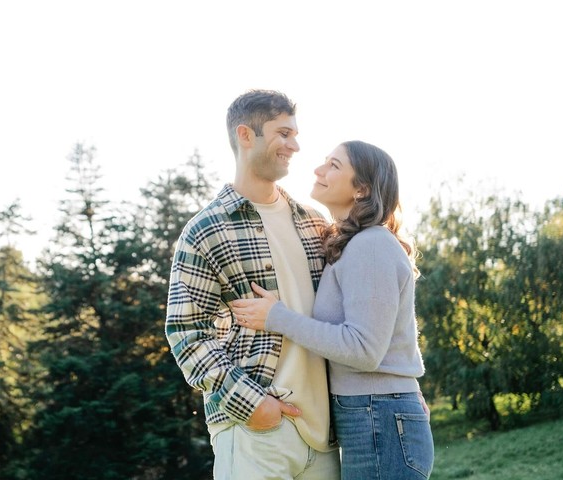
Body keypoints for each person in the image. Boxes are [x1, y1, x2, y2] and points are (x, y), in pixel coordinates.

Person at [230, 140, 435, 479]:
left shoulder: (371, 245)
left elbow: (364, 350)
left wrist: (277, 318)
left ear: (362, 189)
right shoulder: (354, 244)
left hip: (379, 416)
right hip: (371, 416)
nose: (318, 170)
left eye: (334, 165)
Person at [165, 89, 340, 480]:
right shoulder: (205, 230)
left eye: (295, 134)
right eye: (283, 133)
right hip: (254, 432)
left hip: (324, 436)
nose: (294, 145)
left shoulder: (314, 223)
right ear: (246, 136)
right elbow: (186, 333)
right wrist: (253, 404)